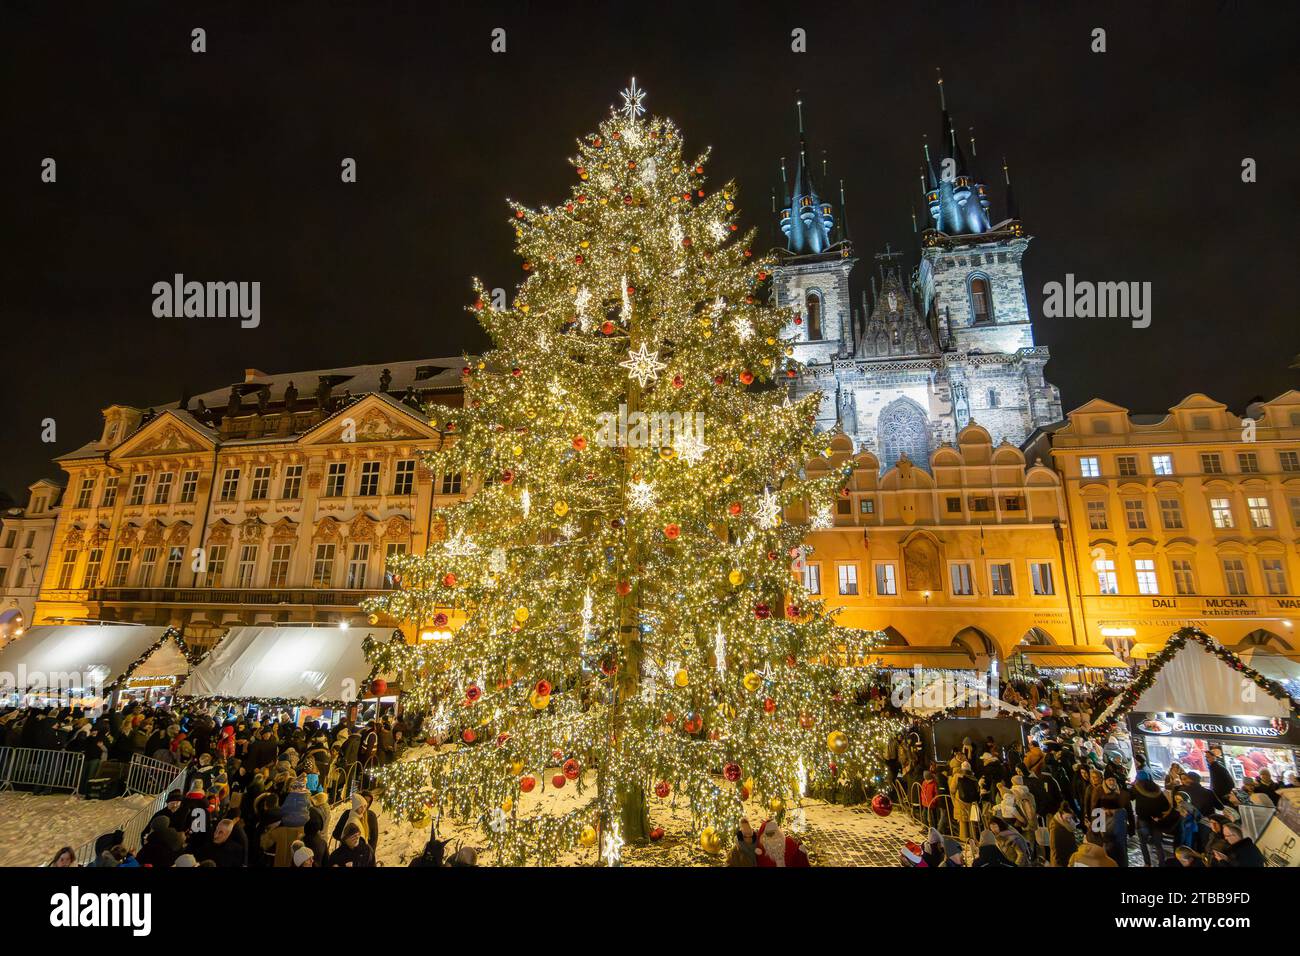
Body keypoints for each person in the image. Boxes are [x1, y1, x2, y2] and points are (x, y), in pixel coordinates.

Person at [1131, 770, 1176, 866]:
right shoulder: (1157, 789)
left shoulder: (1136, 789)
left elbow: (1129, 797)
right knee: (1158, 844)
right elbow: (1166, 806)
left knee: (1143, 843)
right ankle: (1162, 864)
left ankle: (1147, 864)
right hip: (1157, 821)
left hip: (1143, 820)